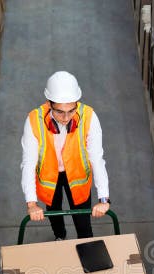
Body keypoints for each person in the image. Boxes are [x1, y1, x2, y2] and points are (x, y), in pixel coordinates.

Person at [20, 71, 110, 240]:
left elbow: (97, 159)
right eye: (60, 112)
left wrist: (104, 199)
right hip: (50, 178)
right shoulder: (33, 120)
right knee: (54, 214)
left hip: (78, 178)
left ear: (77, 103)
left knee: (83, 225)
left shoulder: (89, 117)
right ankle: (59, 237)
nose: (66, 118)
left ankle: (86, 244)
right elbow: (29, 163)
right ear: (49, 103)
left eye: (71, 110)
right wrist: (31, 204)